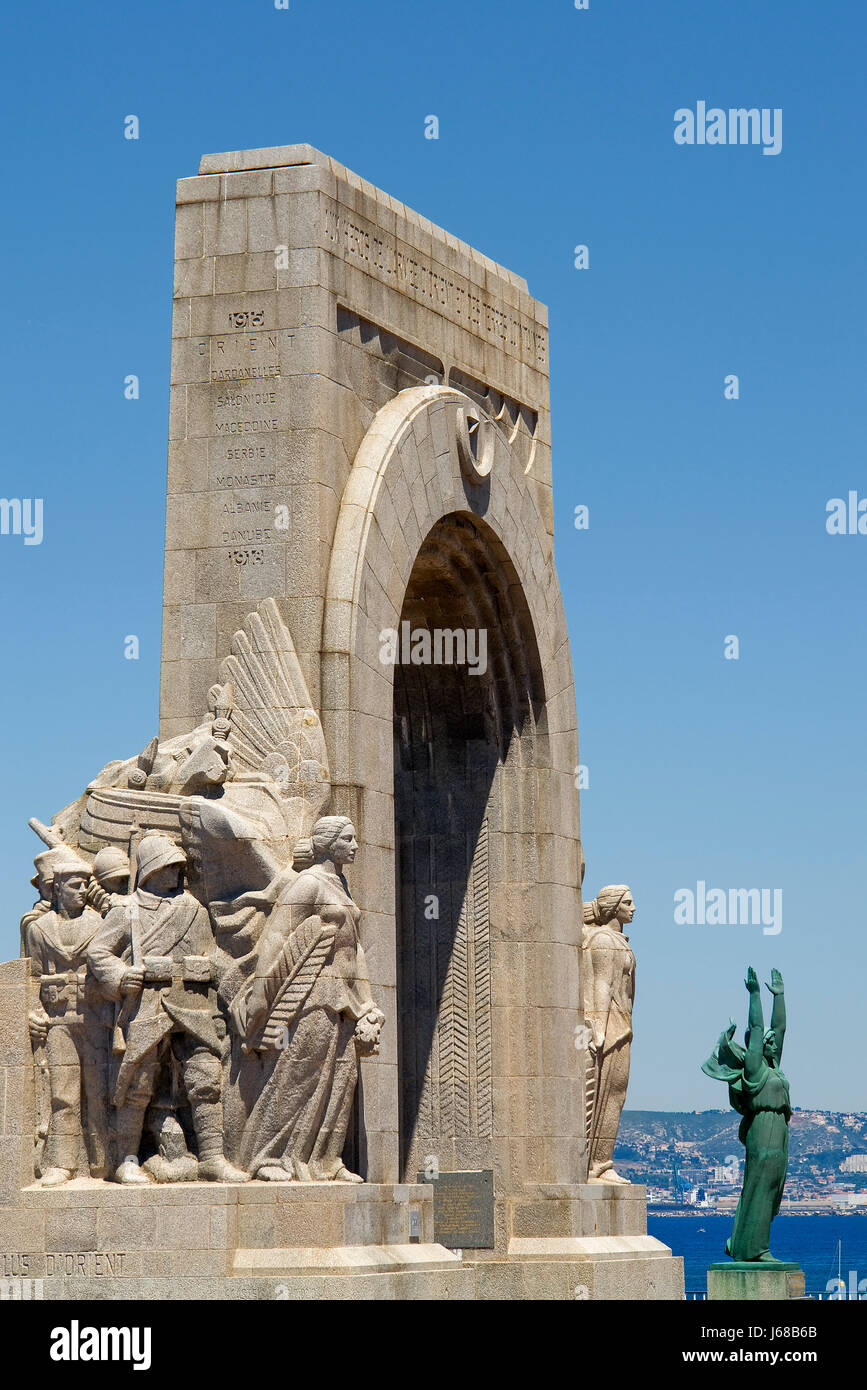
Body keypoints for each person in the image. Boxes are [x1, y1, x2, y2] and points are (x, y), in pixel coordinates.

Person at [87, 833, 247, 1184]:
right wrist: (121, 975)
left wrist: (238, 993)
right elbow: (98, 952)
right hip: (149, 1002)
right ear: (151, 868)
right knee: (138, 1082)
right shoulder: (126, 910)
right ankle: (127, 1160)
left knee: (205, 1078)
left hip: (193, 1003)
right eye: (169, 865)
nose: (176, 872)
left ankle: (212, 1158)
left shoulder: (192, 909)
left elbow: (210, 955)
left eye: (178, 866)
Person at [233, 816, 384, 1181]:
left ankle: (324, 1160)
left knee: (340, 1079)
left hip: (344, 998)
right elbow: (276, 937)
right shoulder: (308, 884)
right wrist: (261, 993)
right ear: (329, 843)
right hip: (311, 996)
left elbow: (356, 950)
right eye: (348, 838)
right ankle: (266, 1157)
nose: (356, 845)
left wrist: (367, 1004)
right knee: (296, 1074)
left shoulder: (340, 885)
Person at [23, 851, 113, 1186]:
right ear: (57, 889)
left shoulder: (101, 924)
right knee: (63, 1094)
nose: (81, 890)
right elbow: (30, 976)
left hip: (94, 1018)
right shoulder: (38, 930)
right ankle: (62, 1163)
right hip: (58, 1020)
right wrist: (33, 1011)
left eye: (85, 884)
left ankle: (105, 1160)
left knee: (99, 1091)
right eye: (74, 885)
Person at [702, 968, 790, 1262]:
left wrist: (779, 996)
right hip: (762, 1129)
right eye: (769, 1041)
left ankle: (743, 1243)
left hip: (778, 1132)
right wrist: (754, 995)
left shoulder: (774, 1067)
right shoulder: (756, 1067)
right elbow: (758, 1026)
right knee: (759, 1186)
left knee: (771, 1188)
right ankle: (753, 1249)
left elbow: (779, 1029)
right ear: (759, 1046)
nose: (775, 1043)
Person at [582, 884, 636, 1183]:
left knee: (617, 1093)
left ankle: (601, 1161)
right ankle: (598, 1164)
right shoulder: (604, 941)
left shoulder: (617, 940)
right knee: (608, 1094)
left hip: (622, 1025)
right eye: (627, 902)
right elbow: (601, 985)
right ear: (613, 906)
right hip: (611, 1028)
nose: (633, 907)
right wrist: (599, 1032)